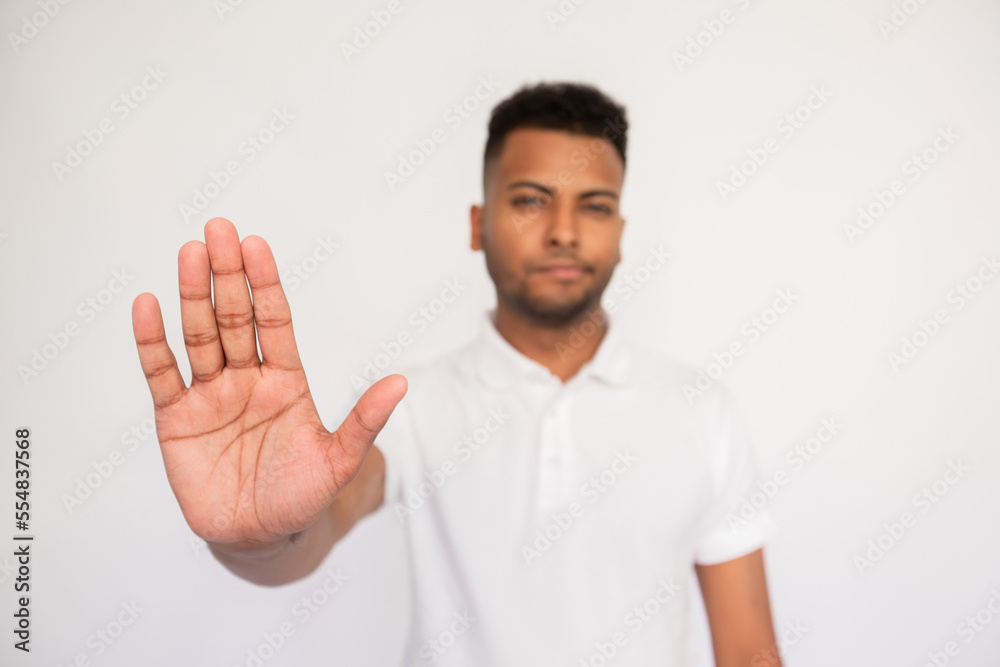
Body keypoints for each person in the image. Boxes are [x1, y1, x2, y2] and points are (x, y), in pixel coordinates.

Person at [131, 81, 783, 666]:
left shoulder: (701, 410)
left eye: (594, 205)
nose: (563, 231)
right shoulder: (410, 407)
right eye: (531, 199)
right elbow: (314, 528)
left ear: (619, 229)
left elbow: (751, 653)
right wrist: (258, 535)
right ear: (479, 224)